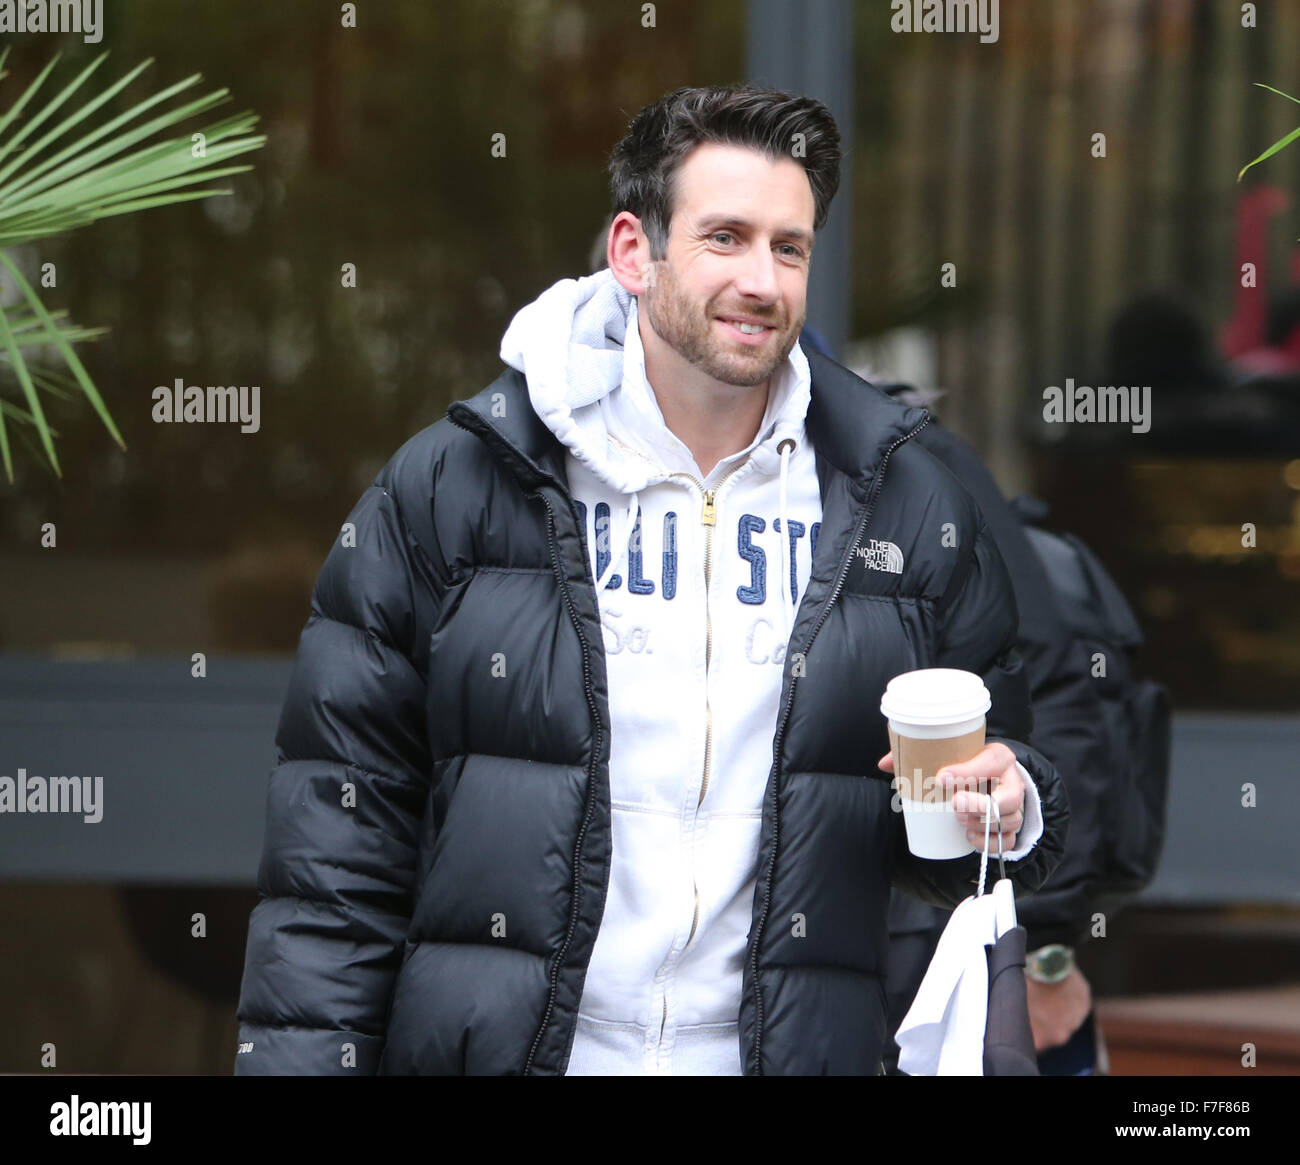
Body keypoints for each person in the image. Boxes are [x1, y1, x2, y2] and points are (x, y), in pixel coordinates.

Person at [233, 83, 1067, 1076]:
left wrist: (1006, 807)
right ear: (634, 250)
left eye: (789, 247)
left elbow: (972, 797)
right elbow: (338, 842)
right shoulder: (458, 486)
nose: (762, 279)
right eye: (725, 237)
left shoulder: (906, 497)